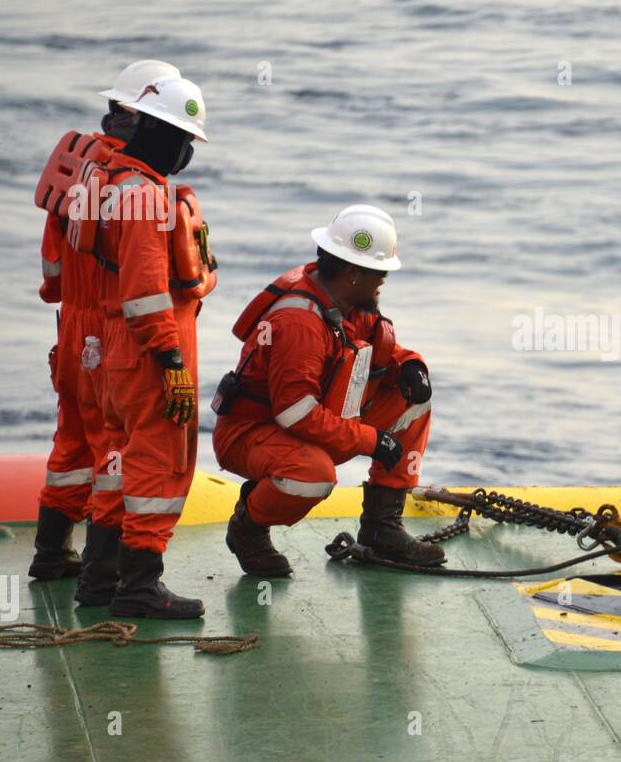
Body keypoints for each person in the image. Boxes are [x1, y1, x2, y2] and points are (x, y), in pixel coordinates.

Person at [212, 204, 442, 571]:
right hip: (253, 433)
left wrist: (409, 364)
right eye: (379, 272)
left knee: (411, 402)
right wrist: (370, 440)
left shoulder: (344, 300)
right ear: (352, 273)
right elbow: (295, 413)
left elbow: (372, 343)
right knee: (314, 476)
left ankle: (382, 528)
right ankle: (248, 528)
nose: (383, 279)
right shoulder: (299, 324)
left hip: (309, 422)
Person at [29, 59, 181, 583]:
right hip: (110, 334)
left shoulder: (79, 171)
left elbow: (51, 270)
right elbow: (142, 283)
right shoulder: (136, 183)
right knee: (117, 449)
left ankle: (51, 553)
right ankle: (108, 573)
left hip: (71, 325)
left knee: (72, 443)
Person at [94, 74, 214, 618]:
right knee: (159, 463)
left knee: (120, 455)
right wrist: (170, 361)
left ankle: (101, 577)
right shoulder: (143, 196)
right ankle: (141, 584)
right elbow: (144, 293)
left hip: (121, 347)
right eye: (186, 140)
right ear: (167, 135)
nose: (188, 153)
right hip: (150, 352)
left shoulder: (118, 182)